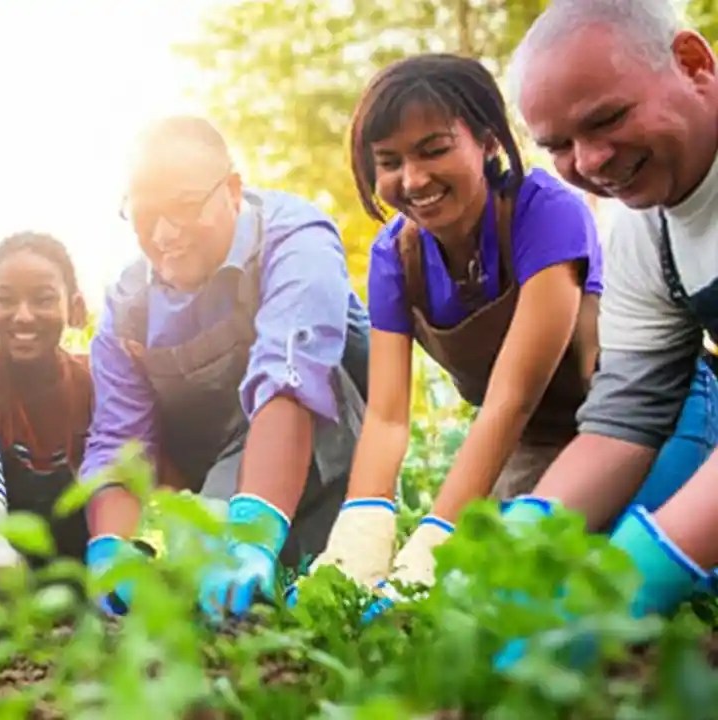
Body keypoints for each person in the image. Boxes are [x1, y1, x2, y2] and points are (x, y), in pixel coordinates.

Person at [303, 54, 602, 602]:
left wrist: (433, 540)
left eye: (434, 150)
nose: (413, 180)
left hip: (620, 428)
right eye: (389, 161)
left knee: (580, 572)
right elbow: (389, 418)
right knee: (500, 575)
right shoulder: (396, 256)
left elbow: (511, 398)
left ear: (488, 142)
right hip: (529, 448)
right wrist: (361, 534)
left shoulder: (545, 213)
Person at [82, 115, 370, 620]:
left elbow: (290, 379)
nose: (164, 233)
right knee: (208, 591)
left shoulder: (297, 242)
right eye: (145, 215)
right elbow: (118, 441)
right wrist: (109, 549)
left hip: (332, 452)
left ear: (233, 191)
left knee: (317, 591)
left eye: (185, 208)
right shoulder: (128, 303)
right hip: (218, 472)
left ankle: (283, 552)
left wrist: (252, 536)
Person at [498, 0, 717, 633]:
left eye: (608, 119)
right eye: (559, 146)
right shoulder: (647, 232)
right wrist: (521, 541)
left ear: (693, 63)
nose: (589, 162)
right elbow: (627, 417)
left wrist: (645, 568)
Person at [0, 232, 93, 563]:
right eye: (6, 299)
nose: (23, 316)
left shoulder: (94, 382)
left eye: (43, 299)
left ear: (73, 305)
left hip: (74, 566)